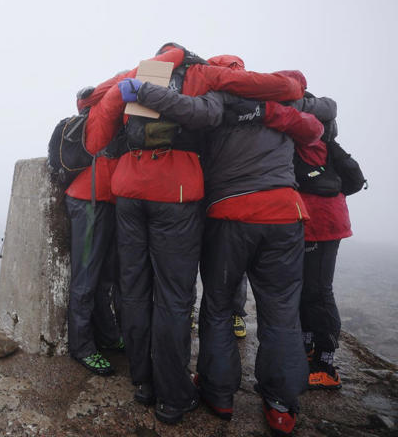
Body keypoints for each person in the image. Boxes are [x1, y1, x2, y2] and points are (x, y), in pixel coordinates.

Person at [86, 44, 307, 425]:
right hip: (177, 193)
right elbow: (288, 89)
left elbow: (94, 143)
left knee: (134, 291)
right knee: (174, 298)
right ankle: (174, 397)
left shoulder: (135, 75)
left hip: (128, 192)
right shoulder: (202, 75)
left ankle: (144, 382)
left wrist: (106, 95)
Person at [121, 75, 335, 436]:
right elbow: (318, 123)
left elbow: (190, 113)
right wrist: (268, 112)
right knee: (282, 312)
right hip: (285, 214)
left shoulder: (216, 101)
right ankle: (281, 405)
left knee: (218, 308)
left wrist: (142, 89)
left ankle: (219, 394)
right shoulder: (280, 102)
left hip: (229, 215)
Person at [295, 121, 365, 390]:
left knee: (319, 291)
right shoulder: (327, 146)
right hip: (314, 224)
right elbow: (355, 182)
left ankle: (326, 365)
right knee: (305, 289)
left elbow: (355, 181)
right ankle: (308, 344)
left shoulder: (318, 148)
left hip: (322, 226)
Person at [63, 86, 124, 375]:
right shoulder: (103, 108)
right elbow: (126, 81)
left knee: (104, 277)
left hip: (103, 199)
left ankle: (108, 337)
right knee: (86, 278)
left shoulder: (97, 110)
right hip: (89, 201)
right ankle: (82, 347)